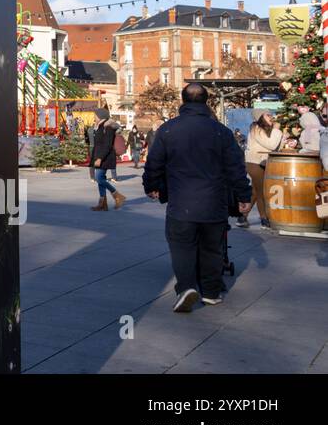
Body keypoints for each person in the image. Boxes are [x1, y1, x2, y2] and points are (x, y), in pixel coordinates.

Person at [142, 83, 252, 313]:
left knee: (182, 247)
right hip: (214, 202)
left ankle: (187, 287)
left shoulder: (168, 130)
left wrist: (151, 186)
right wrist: (244, 196)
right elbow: (236, 168)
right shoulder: (221, 131)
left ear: (183, 100)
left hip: (181, 202)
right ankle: (211, 291)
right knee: (212, 249)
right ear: (206, 101)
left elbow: (154, 163)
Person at [244, 112, 282, 228]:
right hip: (254, 162)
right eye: (267, 115)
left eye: (270, 114)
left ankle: (242, 217)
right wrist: (276, 130)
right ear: (260, 117)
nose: (271, 117)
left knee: (256, 191)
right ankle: (264, 219)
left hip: (264, 162)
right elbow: (271, 145)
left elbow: (276, 147)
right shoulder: (256, 128)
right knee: (261, 191)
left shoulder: (267, 129)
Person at [88, 108, 125, 210]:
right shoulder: (100, 126)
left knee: (99, 178)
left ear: (100, 116)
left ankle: (117, 195)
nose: (94, 117)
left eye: (95, 115)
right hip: (99, 156)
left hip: (105, 157)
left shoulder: (107, 128)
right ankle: (103, 203)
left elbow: (107, 145)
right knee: (100, 179)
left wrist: (100, 158)